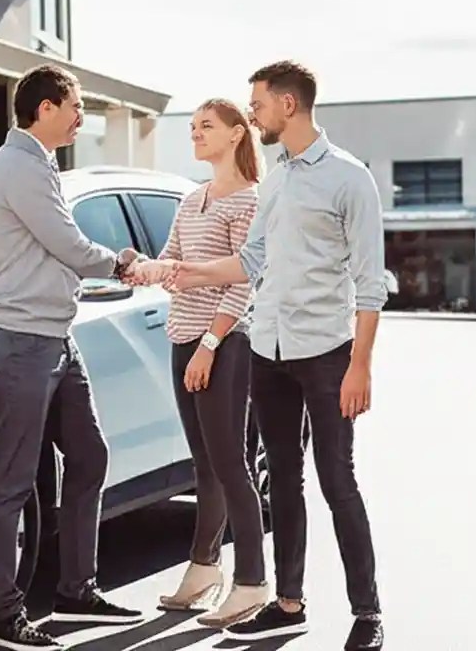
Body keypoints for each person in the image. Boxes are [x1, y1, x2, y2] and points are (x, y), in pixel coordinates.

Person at [166, 60, 387, 651]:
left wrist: (360, 365)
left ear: (288, 105)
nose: (254, 114)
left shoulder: (349, 178)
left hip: (327, 353)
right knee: (282, 481)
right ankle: (288, 602)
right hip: (268, 351)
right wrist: (184, 272)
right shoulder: (277, 181)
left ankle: (367, 612)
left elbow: (371, 284)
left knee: (337, 481)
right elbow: (251, 261)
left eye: (258, 104)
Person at [0, 63, 144, 650]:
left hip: (53, 337)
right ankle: (3, 614)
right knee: (11, 480)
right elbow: (66, 244)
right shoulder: (18, 166)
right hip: (22, 341)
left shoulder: (38, 164)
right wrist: (120, 263)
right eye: (75, 107)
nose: (80, 118)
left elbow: (50, 251)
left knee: (89, 455)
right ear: (45, 108)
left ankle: (76, 589)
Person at [122, 98, 269, 628]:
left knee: (231, 464)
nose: (195, 134)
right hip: (182, 338)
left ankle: (252, 581)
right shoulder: (193, 198)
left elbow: (244, 282)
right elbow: (172, 261)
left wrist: (210, 344)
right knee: (204, 464)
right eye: (192, 127)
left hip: (223, 345)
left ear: (236, 134)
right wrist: (142, 268)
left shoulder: (249, 202)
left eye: (206, 126)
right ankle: (204, 569)